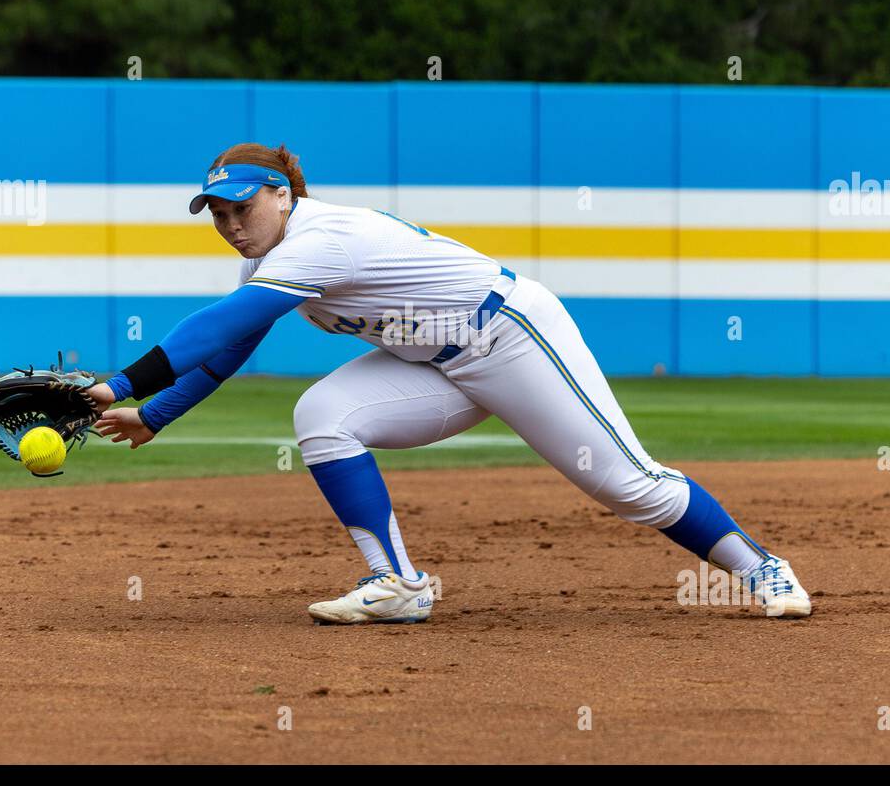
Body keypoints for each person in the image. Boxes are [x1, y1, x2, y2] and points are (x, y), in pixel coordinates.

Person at [88, 142, 812, 624]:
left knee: (626, 485)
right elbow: (232, 346)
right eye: (217, 213)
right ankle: (396, 584)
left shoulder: (320, 237)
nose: (229, 223)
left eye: (241, 207)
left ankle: (762, 569)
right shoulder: (273, 257)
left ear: (282, 195)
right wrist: (157, 415)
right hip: (436, 367)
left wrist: (117, 385)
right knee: (323, 415)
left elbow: (220, 325)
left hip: (512, 335)